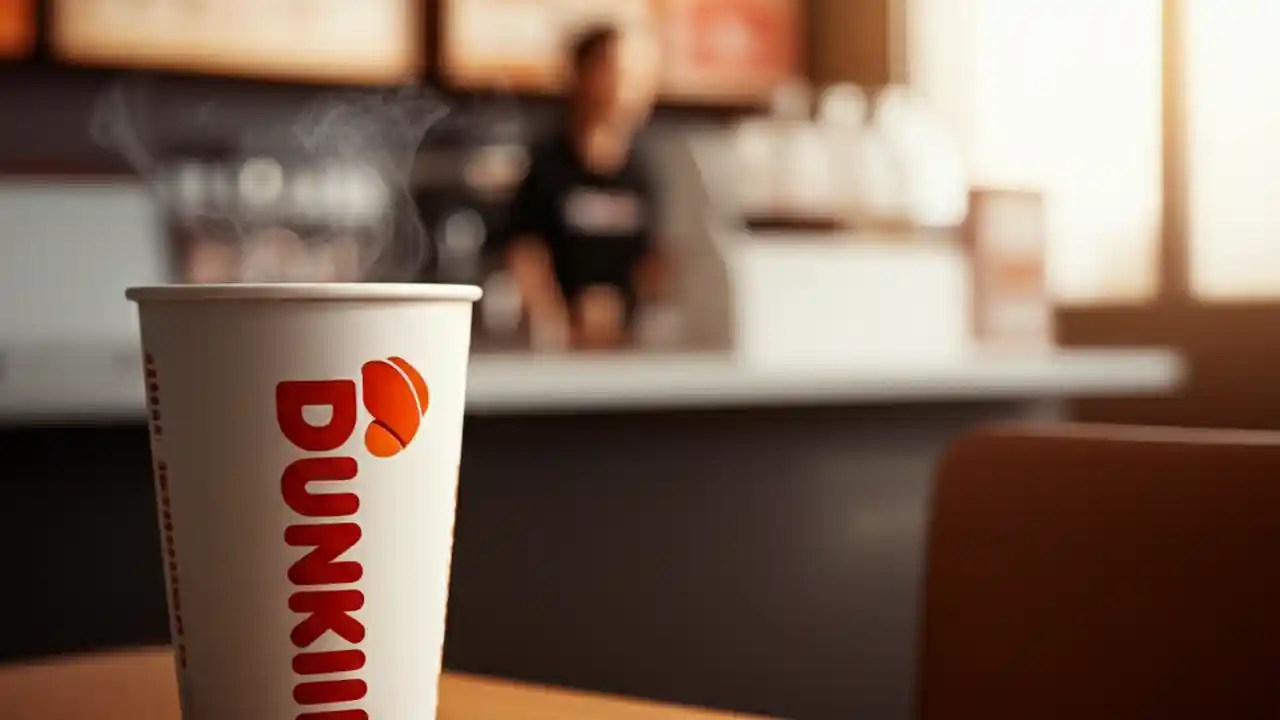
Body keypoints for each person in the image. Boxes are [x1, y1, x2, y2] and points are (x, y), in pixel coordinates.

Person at [503, 24, 663, 350]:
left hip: (623, 344)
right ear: (582, 74)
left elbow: (654, 262)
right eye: (616, 73)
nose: (628, 89)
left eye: (640, 78)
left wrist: (627, 312)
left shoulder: (643, 173)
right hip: (554, 344)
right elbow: (525, 253)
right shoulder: (547, 166)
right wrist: (554, 322)